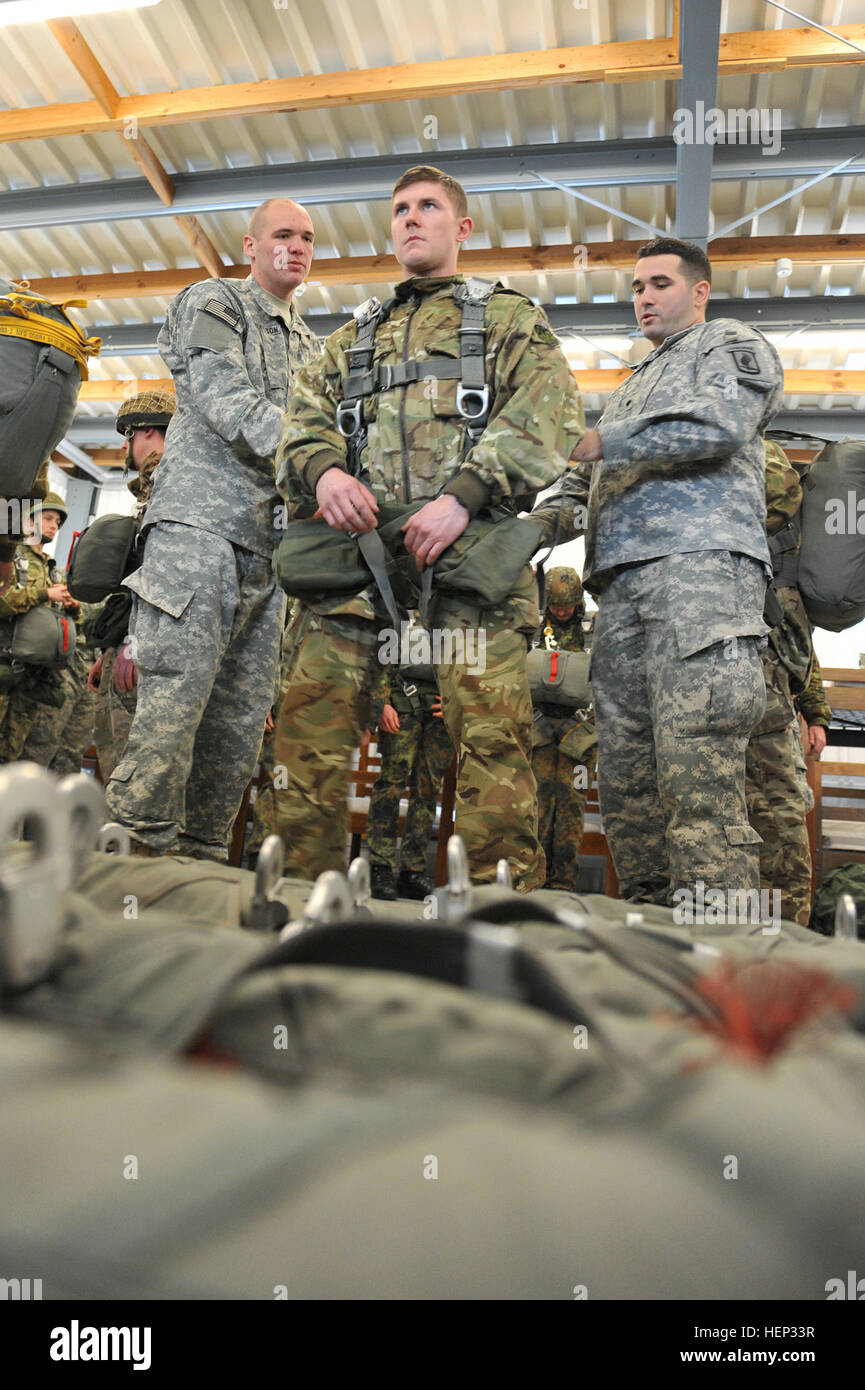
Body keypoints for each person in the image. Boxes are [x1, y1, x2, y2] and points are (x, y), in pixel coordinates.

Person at [272, 164, 585, 888]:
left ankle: (497, 922)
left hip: (467, 551)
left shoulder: (508, 320)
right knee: (306, 745)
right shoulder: (354, 338)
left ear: (461, 227)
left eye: (428, 207)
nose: (411, 219)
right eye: (400, 209)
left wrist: (466, 493)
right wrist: (323, 471)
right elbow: (298, 426)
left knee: (492, 746)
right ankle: (290, 920)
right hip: (356, 558)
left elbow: (551, 412)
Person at [533, 236, 784, 908]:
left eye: (659, 284)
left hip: (696, 577)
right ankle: (650, 939)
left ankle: (717, 964)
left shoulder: (727, 343)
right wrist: (520, 527)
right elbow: (577, 484)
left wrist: (602, 439)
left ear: (698, 291)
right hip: (617, 592)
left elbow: (720, 424)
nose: (643, 297)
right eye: (636, 288)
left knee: (695, 772)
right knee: (626, 777)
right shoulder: (629, 388)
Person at [105, 198, 321, 858]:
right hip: (197, 535)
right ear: (251, 246)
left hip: (270, 556)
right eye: (282, 234)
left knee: (235, 735)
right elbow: (226, 399)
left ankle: (197, 874)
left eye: (307, 237)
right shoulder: (215, 301)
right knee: (171, 718)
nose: (296, 246)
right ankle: (125, 872)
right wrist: (317, 459)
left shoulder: (313, 349)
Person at [745, 439, 831, 924]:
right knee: (756, 821)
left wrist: (815, 712)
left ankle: (784, 938)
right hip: (737, 693)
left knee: (777, 822)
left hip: (773, 694)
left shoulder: (783, 562)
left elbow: (802, 645)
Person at [87, 390, 175, 781]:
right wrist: (110, 649)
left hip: (143, 649)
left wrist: (133, 642)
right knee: (114, 758)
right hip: (129, 644)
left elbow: (164, 570)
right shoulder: (152, 486)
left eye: (131, 435)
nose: (126, 446)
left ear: (150, 431)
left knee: (129, 772)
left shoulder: (168, 480)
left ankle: (127, 844)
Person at [364, 634, 454, 900]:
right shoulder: (401, 599)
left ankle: (412, 871)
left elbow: (472, 663)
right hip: (401, 705)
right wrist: (382, 703)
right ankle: (379, 866)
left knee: (427, 791)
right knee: (391, 784)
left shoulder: (456, 608)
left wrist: (457, 702)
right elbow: (379, 655)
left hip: (441, 711)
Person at [530, 566, 597, 892]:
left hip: (580, 734)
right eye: (555, 606)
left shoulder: (593, 630)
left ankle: (564, 882)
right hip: (539, 729)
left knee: (571, 806)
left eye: (566, 606)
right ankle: (536, 876)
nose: (560, 612)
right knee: (539, 804)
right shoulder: (531, 629)